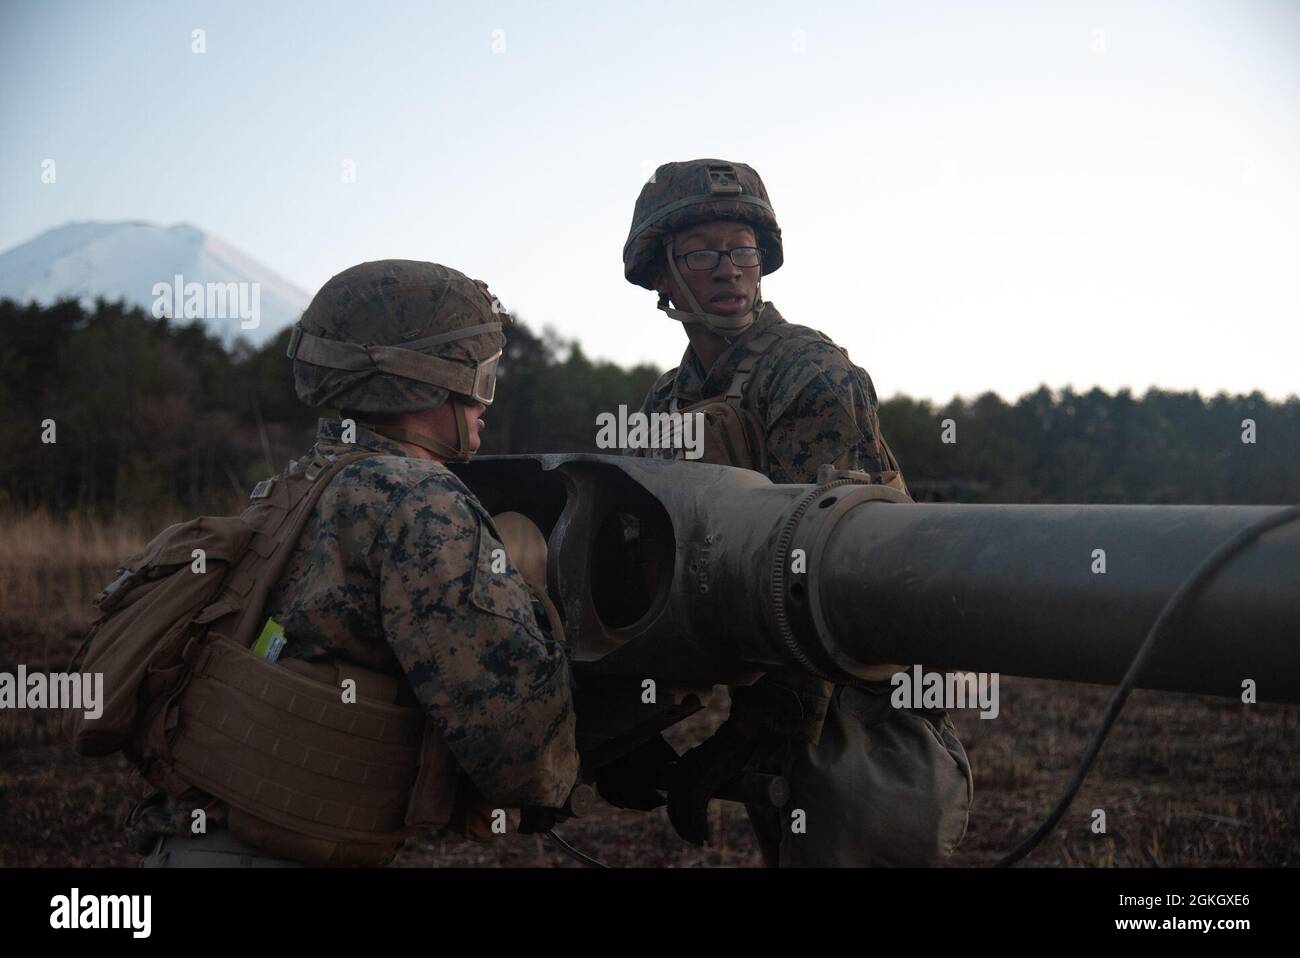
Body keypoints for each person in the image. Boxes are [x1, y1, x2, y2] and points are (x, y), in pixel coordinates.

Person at [130, 260, 578, 866]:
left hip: (190, 842)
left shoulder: (296, 483)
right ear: (427, 381)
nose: (483, 405)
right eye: (481, 378)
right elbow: (513, 733)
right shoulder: (420, 500)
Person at [613, 159, 973, 866]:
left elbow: (820, 566)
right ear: (660, 275)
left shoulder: (808, 371)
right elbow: (647, 564)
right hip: (760, 670)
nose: (728, 269)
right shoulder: (664, 404)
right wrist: (629, 725)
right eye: (701, 253)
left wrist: (754, 732)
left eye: (741, 250)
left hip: (852, 681)